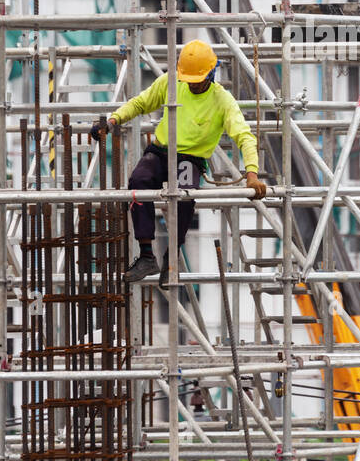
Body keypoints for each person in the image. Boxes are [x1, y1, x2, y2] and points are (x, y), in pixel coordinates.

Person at [90, 40, 267, 286]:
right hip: (161, 151)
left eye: (198, 80)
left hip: (190, 158)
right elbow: (141, 102)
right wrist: (112, 121)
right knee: (138, 181)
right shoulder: (171, 82)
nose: (193, 85)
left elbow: (244, 136)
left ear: (211, 74)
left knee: (183, 197)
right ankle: (146, 255)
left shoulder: (222, 100)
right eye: (189, 79)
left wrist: (252, 173)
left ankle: (172, 257)